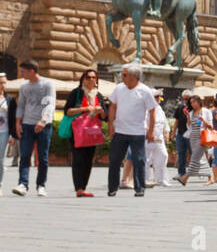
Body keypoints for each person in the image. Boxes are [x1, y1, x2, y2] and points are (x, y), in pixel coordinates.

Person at [106, 62, 156, 197]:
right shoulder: (118, 88)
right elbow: (113, 107)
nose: (121, 77)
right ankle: (112, 188)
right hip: (120, 131)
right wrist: (111, 125)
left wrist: (150, 131)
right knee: (114, 160)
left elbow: (152, 112)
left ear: (134, 77)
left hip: (137, 132)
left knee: (139, 160)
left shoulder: (145, 91)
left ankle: (139, 188)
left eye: (124, 75)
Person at [12, 60, 55, 197]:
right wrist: (18, 123)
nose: (21, 73)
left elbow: (51, 103)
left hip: (44, 126)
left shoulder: (47, 84)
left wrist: (43, 120)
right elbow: (21, 105)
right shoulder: (24, 86)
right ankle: (23, 184)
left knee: (42, 157)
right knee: (24, 156)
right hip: (27, 125)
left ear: (31, 71)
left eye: (23, 71)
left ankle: (41, 185)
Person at [64, 69, 108, 197]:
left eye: (93, 77)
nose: (91, 80)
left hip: (91, 131)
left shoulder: (98, 95)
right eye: (88, 77)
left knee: (88, 160)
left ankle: (83, 187)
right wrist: (84, 109)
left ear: (96, 80)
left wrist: (100, 111)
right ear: (83, 79)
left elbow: (104, 116)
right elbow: (67, 111)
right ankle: (79, 188)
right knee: (78, 159)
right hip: (77, 131)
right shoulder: (76, 93)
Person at [145, 90, 170, 187]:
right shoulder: (146, 108)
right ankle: (145, 179)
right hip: (148, 137)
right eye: (156, 97)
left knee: (163, 156)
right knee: (146, 159)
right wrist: (149, 132)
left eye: (159, 97)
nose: (158, 99)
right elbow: (143, 122)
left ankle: (161, 179)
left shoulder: (159, 109)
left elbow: (165, 122)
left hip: (159, 138)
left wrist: (167, 132)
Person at [0, 72, 13, 194]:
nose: (2, 85)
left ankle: (0, 185)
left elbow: (13, 118)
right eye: (0, 83)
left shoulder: (9, 99)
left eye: (4, 82)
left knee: (1, 159)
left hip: (4, 132)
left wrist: (12, 135)